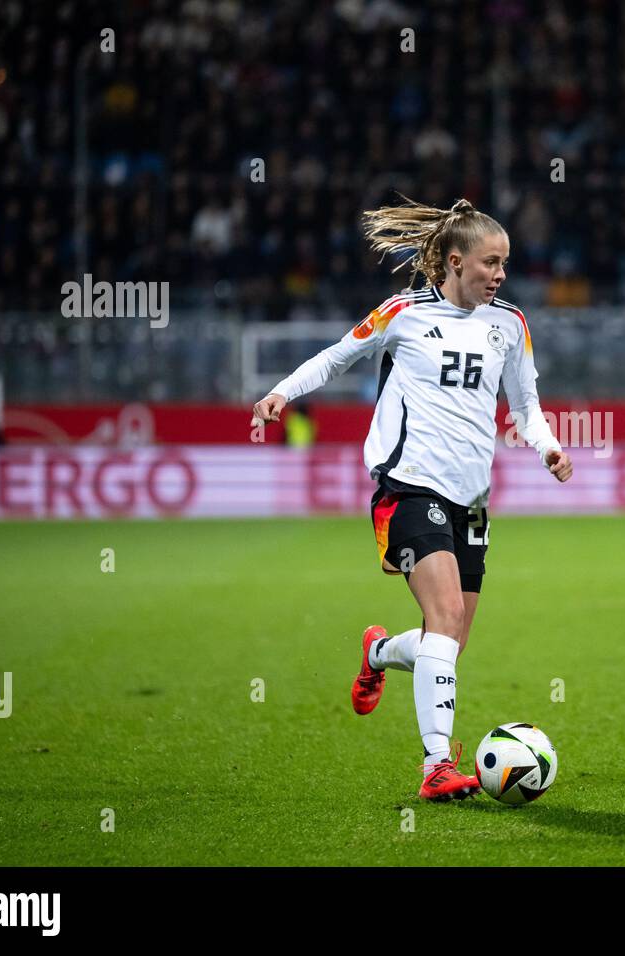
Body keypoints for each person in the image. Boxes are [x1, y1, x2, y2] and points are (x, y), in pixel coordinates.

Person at [251, 196, 573, 800]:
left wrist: (548, 447)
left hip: (471, 500)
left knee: (448, 639)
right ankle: (435, 766)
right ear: (456, 261)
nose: (501, 274)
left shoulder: (509, 325)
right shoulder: (402, 314)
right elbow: (338, 355)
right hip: (408, 485)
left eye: (505, 264)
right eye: (490, 262)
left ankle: (378, 652)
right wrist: (280, 394)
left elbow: (526, 406)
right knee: (445, 621)